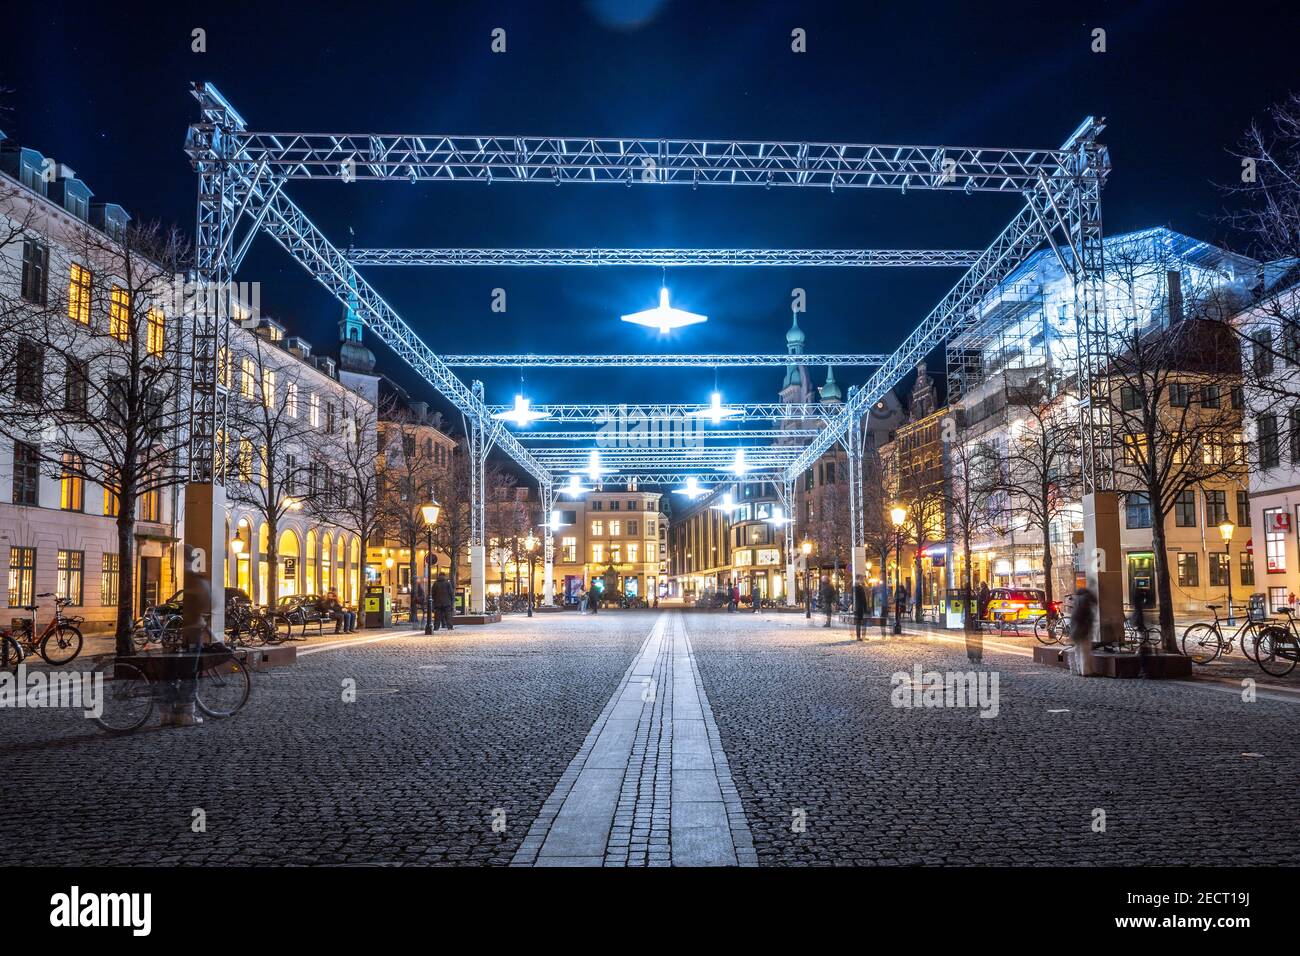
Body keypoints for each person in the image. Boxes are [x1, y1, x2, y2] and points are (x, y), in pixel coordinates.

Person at [853, 576, 869, 641]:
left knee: (863, 622)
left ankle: (863, 636)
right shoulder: (856, 587)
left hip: (861, 606)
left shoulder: (860, 587)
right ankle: (858, 637)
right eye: (862, 579)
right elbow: (860, 598)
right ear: (858, 580)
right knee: (859, 622)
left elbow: (864, 597)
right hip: (859, 607)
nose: (863, 580)